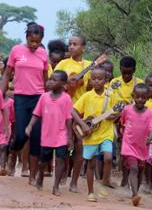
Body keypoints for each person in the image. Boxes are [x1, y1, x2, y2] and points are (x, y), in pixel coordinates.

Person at [0, 22, 48, 184]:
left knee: (36, 136)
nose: (34, 44)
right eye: (31, 41)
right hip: (20, 97)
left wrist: (49, 98)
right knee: (20, 134)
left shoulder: (43, 54)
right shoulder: (16, 50)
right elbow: (7, 74)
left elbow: (46, 79)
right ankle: (12, 149)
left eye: (37, 41)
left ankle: (32, 176)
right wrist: (0, 94)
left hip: (39, 98)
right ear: (26, 37)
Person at [73, 67, 120, 202]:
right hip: (90, 136)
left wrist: (114, 116)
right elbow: (73, 110)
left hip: (106, 133)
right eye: (93, 78)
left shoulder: (111, 95)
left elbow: (116, 112)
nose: (96, 81)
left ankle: (105, 182)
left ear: (106, 81)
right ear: (90, 80)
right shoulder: (87, 96)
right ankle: (91, 192)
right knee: (91, 165)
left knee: (108, 158)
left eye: (100, 79)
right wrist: (82, 124)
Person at [53, 35, 92, 192]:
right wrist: (68, 84)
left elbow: (91, 90)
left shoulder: (89, 66)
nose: (71, 47)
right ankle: (61, 174)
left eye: (75, 44)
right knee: (62, 145)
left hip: (82, 111)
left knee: (79, 146)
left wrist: (85, 83)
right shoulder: (62, 64)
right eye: (69, 44)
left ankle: (74, 181)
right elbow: (54, 83)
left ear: (83, 47)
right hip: (63, 110)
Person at [25, 70, 73, 196]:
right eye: (50, 78)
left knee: (60, 159)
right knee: (43, 161)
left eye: (54, 79)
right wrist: (29, 126)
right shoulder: (44, 97)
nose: (50, 81)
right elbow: (36, 114)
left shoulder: (66, 98)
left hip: (61, 135)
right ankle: (40, 175)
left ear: (63, 83)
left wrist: (69, 137)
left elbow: (69, 119)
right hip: (47, 135)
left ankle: (56, 186)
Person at [120, 84, 152, 206]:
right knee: (134, 168)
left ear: (147, 98)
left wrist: (150, 137)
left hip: (142, 147)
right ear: (133, 96)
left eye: (143, 97)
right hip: (129, 145)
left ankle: (135, 192)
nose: (140, 99)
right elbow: (123, 122)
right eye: (138, 97)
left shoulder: (150, 113)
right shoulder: (127, 109)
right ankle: (135, 195)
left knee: (140, 171)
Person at [0, 80, 14, 176]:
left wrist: (11, 132)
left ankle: (2, 168)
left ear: (6, 89)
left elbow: (12, 117)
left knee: (3, 147)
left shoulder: (10, 102)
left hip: (5, 128)